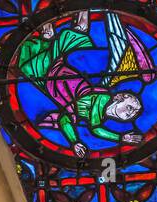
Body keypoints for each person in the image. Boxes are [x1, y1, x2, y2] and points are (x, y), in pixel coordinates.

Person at [16, 10, 148, 159]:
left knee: (76, 33)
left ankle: (50, 35)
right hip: (59, 71)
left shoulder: (94, 113)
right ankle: (55, 26)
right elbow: (95, 128)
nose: (131, 113)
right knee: (79, 32)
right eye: (130, 107)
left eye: (134, 113)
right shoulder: (100, 101)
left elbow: (68, 121)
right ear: (118, 97)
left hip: (51, 78)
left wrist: (75, 142)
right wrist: (121, 138)